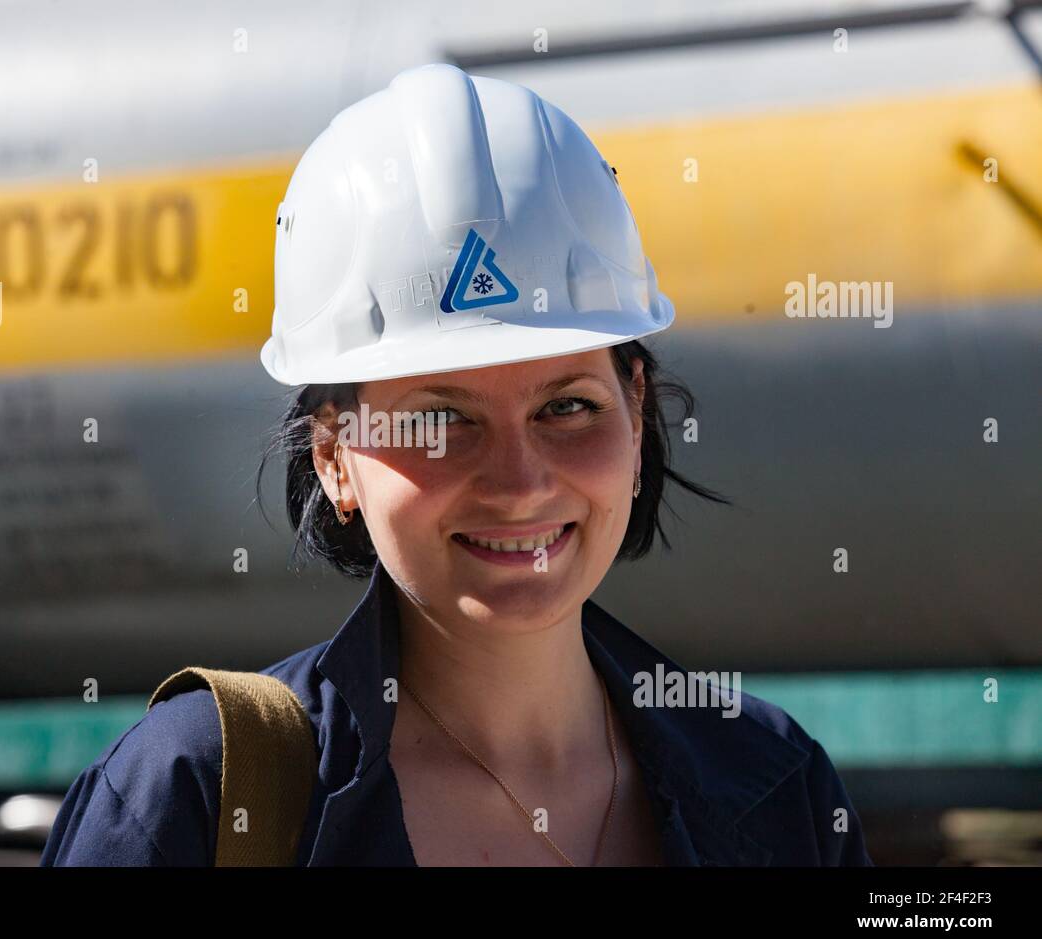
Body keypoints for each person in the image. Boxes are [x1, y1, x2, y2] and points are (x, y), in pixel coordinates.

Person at [42, 63, 872, 866]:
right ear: (334, 455)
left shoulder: (774, 792)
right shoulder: (206, 796)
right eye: (441, 421)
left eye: (567, 406)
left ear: (637, 409)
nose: (520, 482)